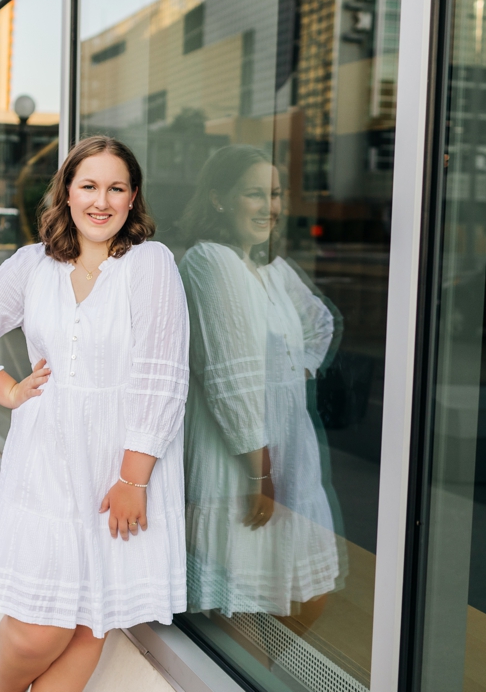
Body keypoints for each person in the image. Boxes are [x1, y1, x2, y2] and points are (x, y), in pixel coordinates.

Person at [0, 136, 190, 692]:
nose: (102, 201)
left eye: (115, 188)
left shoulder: (150, 264)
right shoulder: (33, 265)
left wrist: (133, 478)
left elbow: (161, 376)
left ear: (132, 196)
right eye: (89, 186)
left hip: (117, 471)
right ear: (67, 194)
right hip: (44, 465)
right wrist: (5, 391)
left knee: (87, 622)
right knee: (37, 633)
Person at [175, 145, 342, 641]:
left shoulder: (272, 268)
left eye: (274, 193)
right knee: (242, 619)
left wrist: (296, 371)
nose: (270, 205)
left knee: (305, 595)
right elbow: (229, 377)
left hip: (287, 452)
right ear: (219, 199)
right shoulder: (211, 261)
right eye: (254, 193)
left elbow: (320, 322)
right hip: (241, 460)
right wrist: (260, 471)